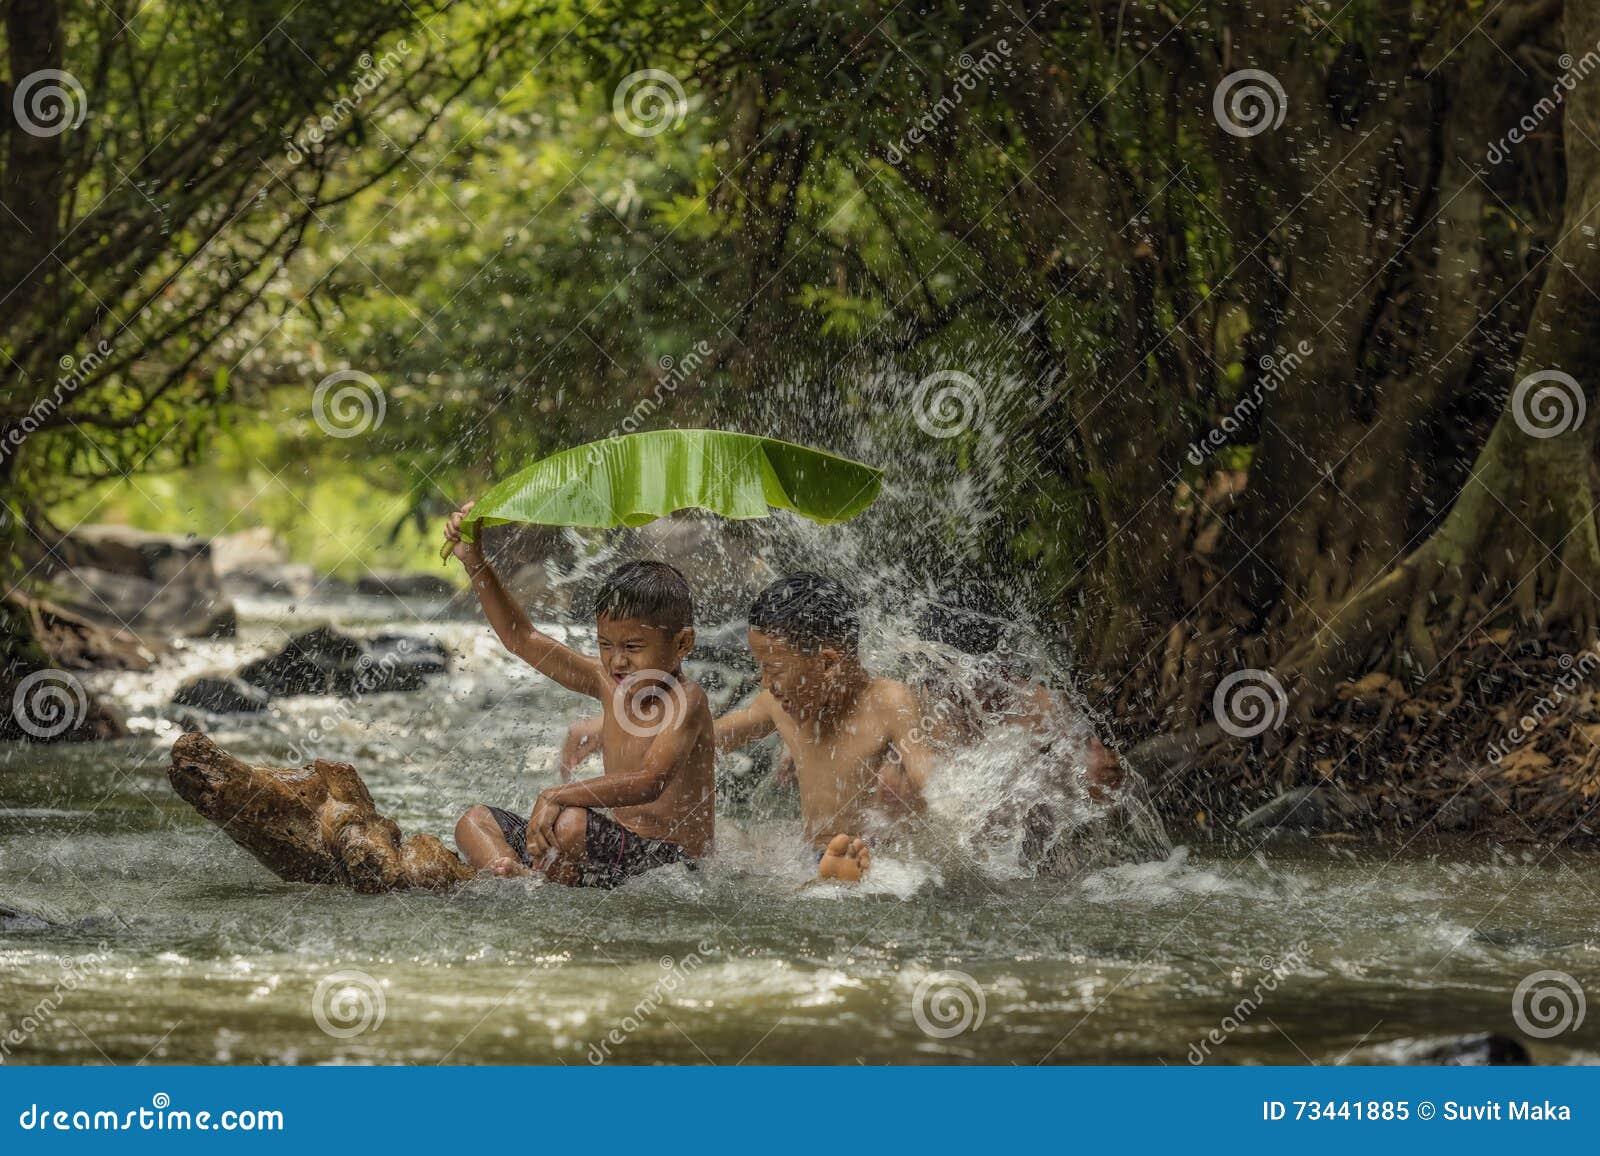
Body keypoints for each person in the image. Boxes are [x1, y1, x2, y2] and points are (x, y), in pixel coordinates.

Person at [444, 501, 715, 887]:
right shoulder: (607, 680)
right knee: (474, 822)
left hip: (673, 862)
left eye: (633, 648)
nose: (617, 661)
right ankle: (513, 875)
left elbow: (650, 781)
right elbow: (522, 639)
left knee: (570, 821)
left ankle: (551, 877)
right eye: (606, 644)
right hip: (606, 851)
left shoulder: (687, 699)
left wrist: (557, 794)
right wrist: (475, 561)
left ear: (682, 644)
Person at [714, 572, 936, 882]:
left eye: (774, 670)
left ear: (827, 663)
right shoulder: (778, 706)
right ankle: (827, 877)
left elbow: (934, 785)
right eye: (760, 669)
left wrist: (933, 799)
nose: (766, 684)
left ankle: (837, 878)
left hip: (872, 858)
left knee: (851, 881)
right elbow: (705, 741)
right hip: (806, 855)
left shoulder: (888, 702)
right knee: (726, 845)